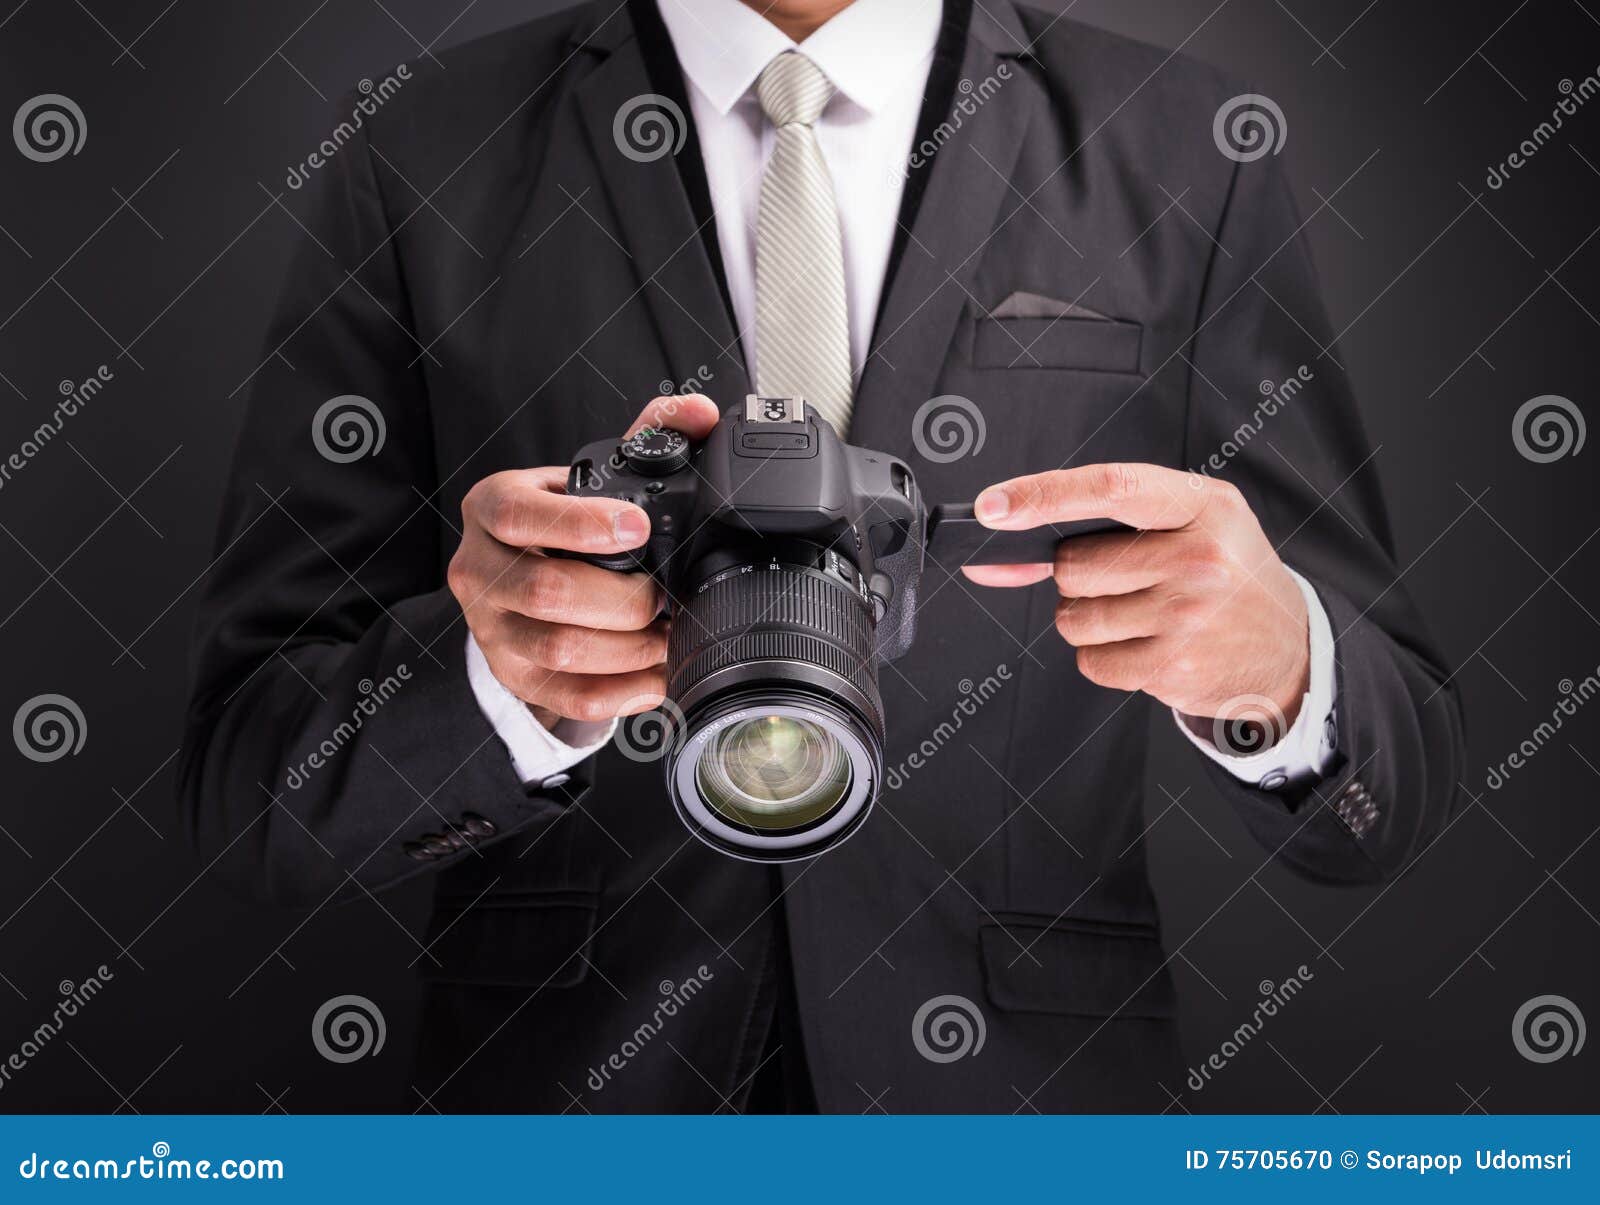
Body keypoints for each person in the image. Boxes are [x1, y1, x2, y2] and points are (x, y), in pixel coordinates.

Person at [180, 0, 1464, 1112]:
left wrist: (1285, 670)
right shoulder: (420, 141)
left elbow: (1386, 799)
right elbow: (250, 794)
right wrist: (501, 690)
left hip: (1024, 1110)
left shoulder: (1190, 145)